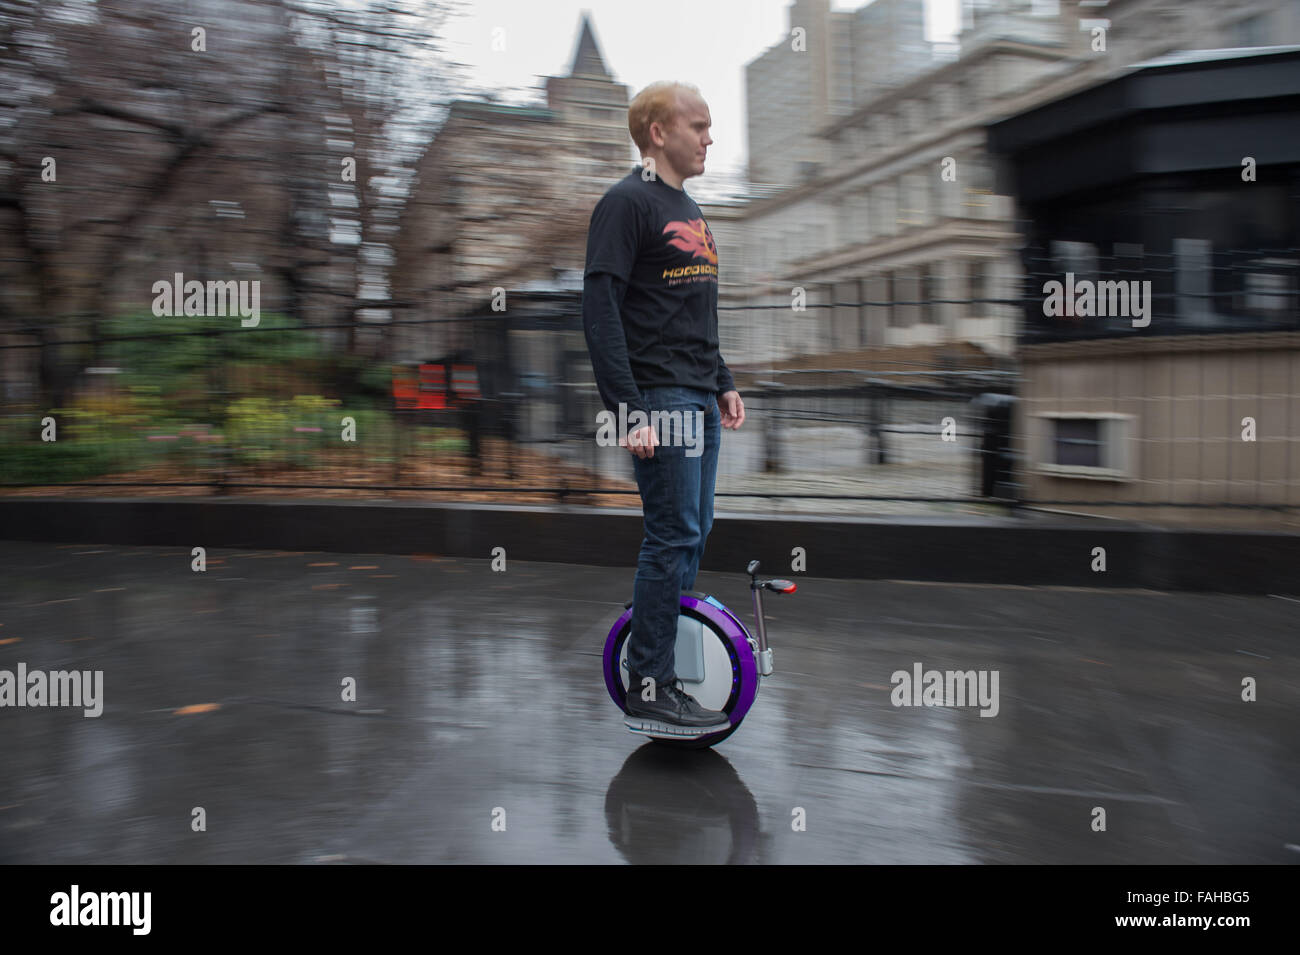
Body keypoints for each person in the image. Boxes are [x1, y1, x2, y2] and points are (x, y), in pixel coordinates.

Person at [582, 81, 745, 730]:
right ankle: (649, 680)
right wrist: (625, 407)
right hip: (658, 395)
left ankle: (667, 665)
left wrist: (724, 377)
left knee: (694, 532)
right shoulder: (626, 205)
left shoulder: (690, 210)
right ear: (658, 131)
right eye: (699, 126)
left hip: (699, 393)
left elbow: (691, 312)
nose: (710, 138)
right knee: (671, 534)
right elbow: (600, 309)